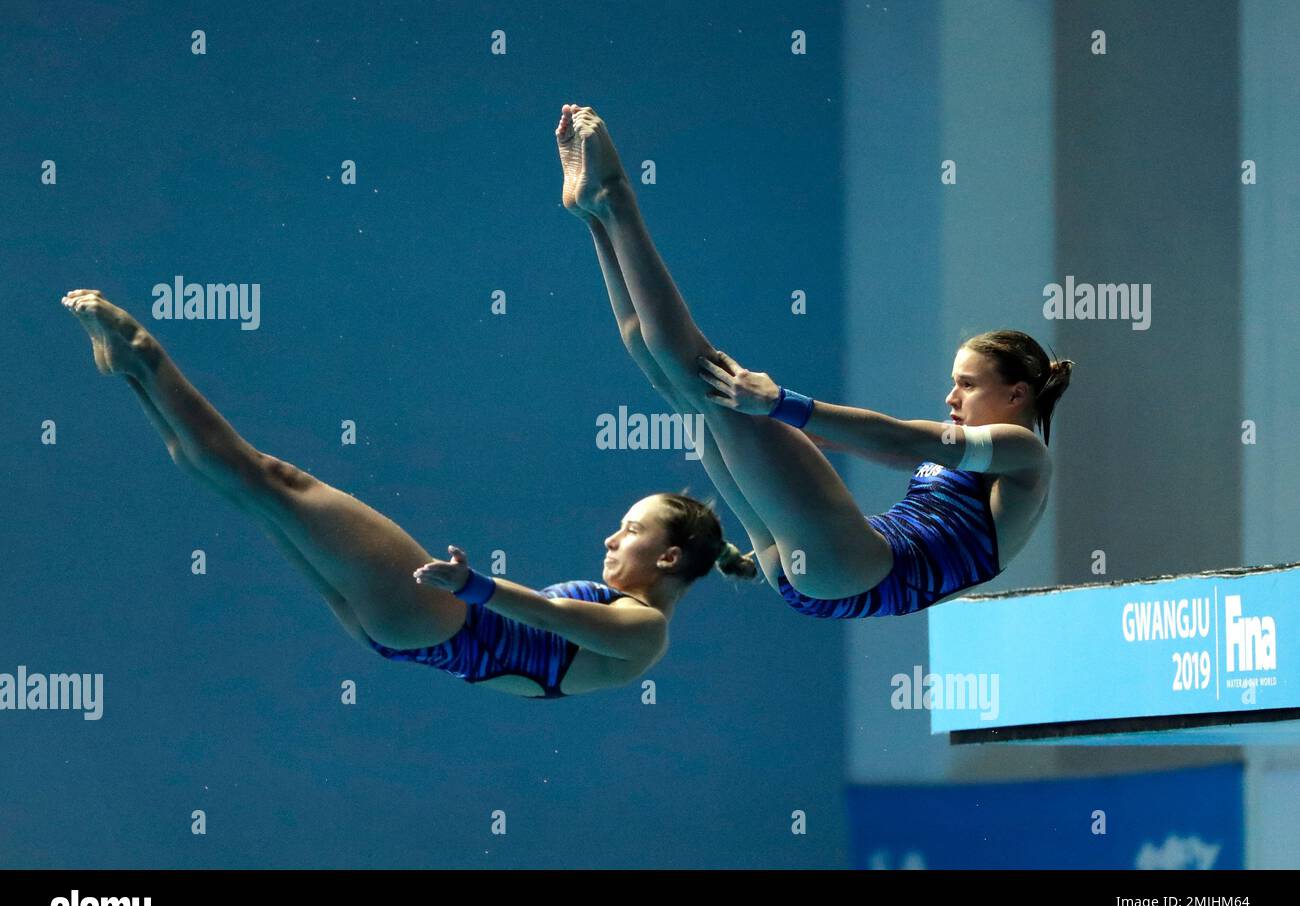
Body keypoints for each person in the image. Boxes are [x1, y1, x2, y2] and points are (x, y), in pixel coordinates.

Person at [62, 289, 754, 698]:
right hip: (414, 634)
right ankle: (134, 375)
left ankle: (149, 357)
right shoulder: (638, 629)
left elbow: (548, 616)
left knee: (279, 482)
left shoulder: (646, 631)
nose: (611, 537)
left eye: (631, 530)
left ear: (669, 559)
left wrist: (472, 584)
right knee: (255, 495)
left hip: (446, 622)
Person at [555, 104, 1073, 617]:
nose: (951, 397)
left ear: (1016, 394)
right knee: (679, 385)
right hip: (826, 572)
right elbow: (888, 447)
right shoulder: (982, 459)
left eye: (967, 384)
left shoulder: (1024, 454)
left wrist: (783, 404)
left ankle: (616, 198)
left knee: (702, 377)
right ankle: (596, 216)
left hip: (862, 567)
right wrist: (787, 427)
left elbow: (901, 437)